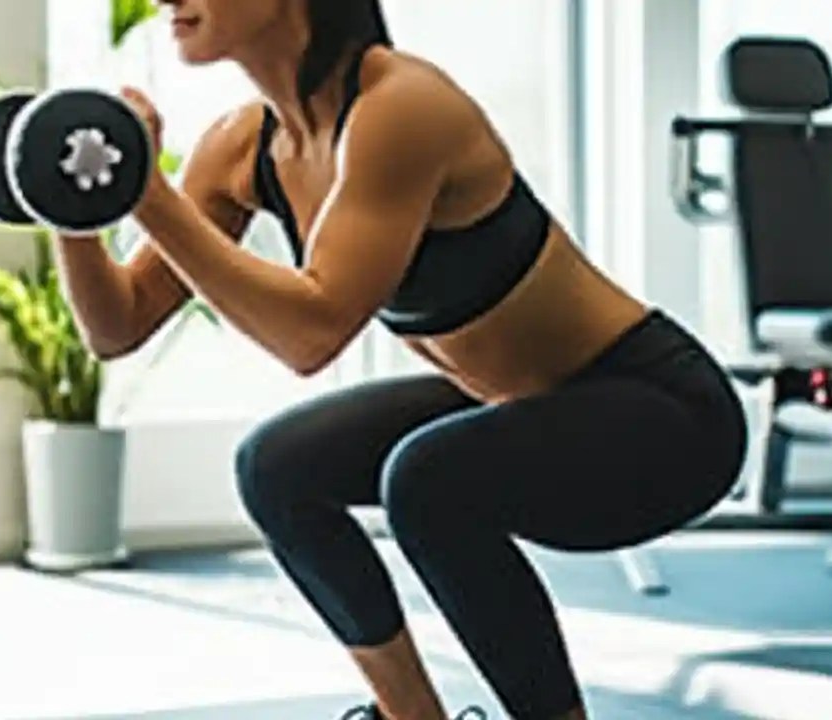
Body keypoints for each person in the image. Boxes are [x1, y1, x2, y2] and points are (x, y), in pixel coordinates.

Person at [54, 1, 748, 718]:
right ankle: (410, 714)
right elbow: (119, 325)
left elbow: (312, 333)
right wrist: (71, 208)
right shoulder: (240, 147)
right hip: (519, 408)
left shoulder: (402, 107)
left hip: (666, 419)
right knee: (278, 467)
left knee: (428, 478)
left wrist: (148, 198)